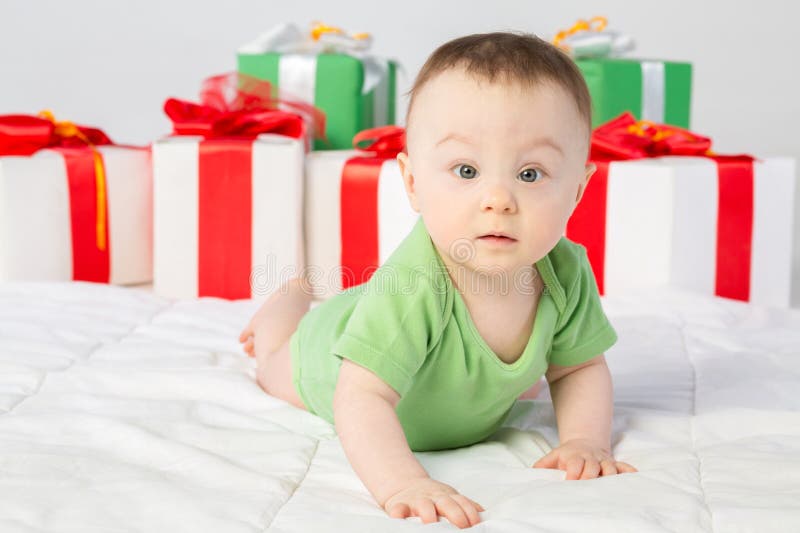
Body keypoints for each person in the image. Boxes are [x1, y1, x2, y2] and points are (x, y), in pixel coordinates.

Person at [239, 31, 638, 529]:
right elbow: (361, 398)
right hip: (326, 360)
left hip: (422, 366)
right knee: (270, 362)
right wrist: (403, 483)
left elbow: (578, 368)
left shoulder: (565, 273)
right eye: (466, 169)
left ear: (578, 189)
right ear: (412, 183)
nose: (498, 198)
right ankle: (288, 298)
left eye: (531, 174)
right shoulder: (417, 285)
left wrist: (583, 440)